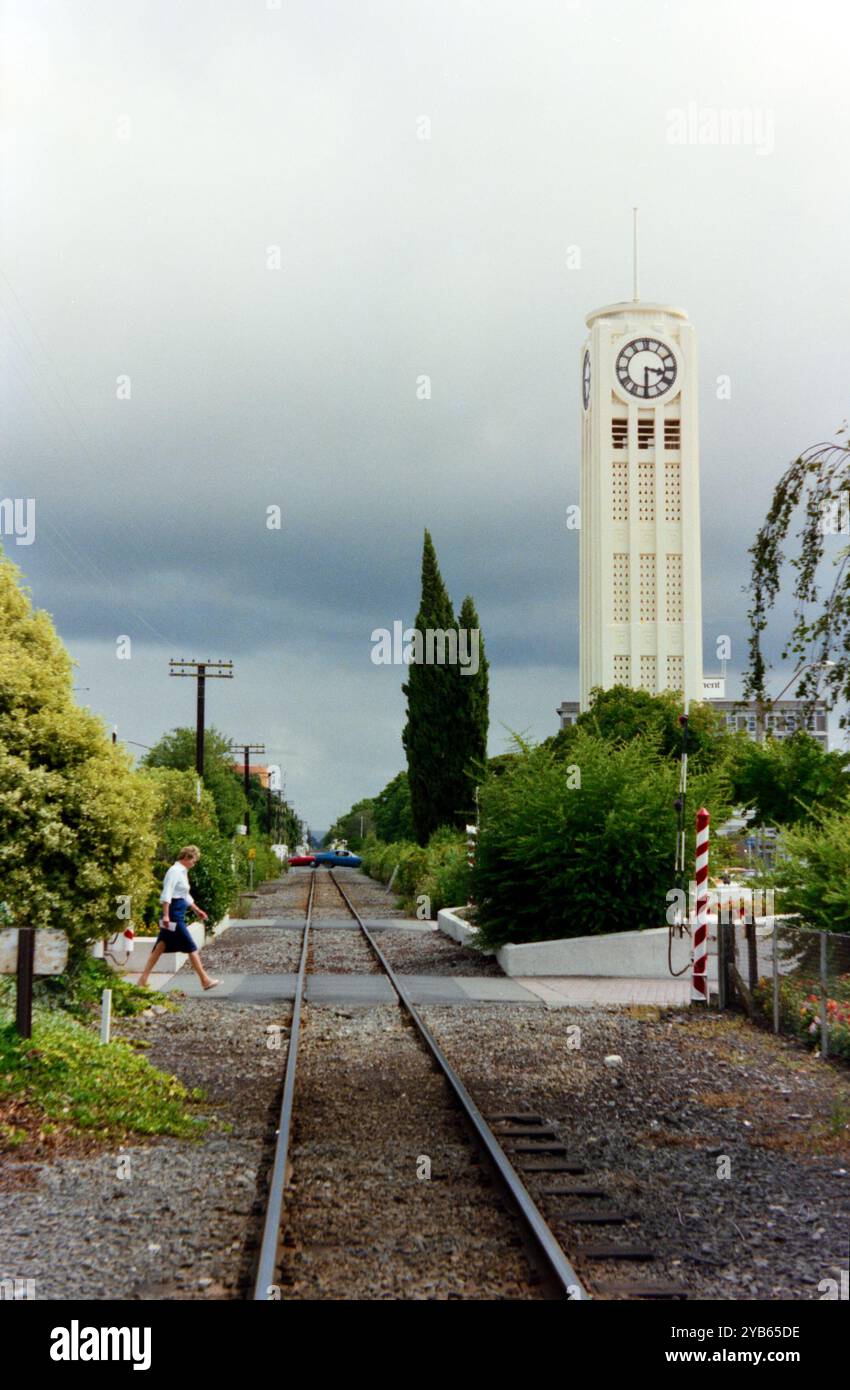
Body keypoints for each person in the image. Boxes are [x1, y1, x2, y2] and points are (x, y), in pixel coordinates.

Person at [138, 845, 219, 991]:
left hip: (177, 912)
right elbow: (167, 894)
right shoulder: (174, 872)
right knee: (191, 946)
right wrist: (167, 915)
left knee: (160, 946)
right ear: (187, 857)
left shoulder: (183, 872)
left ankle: (142, 980)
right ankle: (204, 980)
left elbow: (184, 895)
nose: (195, 863)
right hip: (173, 915)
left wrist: (197, 910)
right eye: (194, 859)